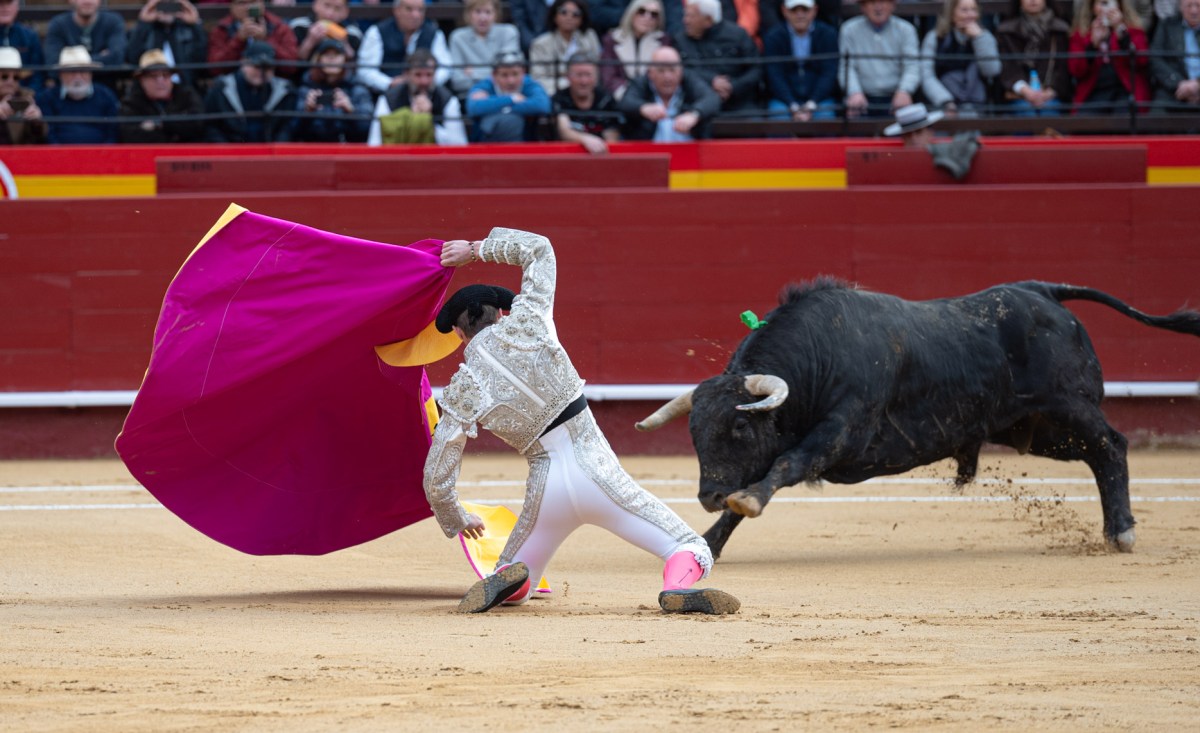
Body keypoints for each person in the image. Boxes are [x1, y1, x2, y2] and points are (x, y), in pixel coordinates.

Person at [424, 229, 740, 616]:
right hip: (598, 471)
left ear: (459, 333)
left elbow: (437, 469)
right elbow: (539, 249)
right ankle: (675, 586)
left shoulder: (462, 387)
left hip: (546, 489)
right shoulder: (531, 322)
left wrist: (454, 515)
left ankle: (514, 579)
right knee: (691, 547)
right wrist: (476, 250)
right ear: (501, 312)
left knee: (515, 571)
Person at [675, 0, 763, 112]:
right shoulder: (680, 40)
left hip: (740, 102)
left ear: (708, 20)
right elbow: (681, 70)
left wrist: (733, 87)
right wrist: (711, 80)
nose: (685, 21)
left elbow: (756, 69)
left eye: (691, 16)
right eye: (685, 15)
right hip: (697, 104)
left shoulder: (738, 35)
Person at [838, 0, 921, 118]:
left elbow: (912, 66)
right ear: (863, 6)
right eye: (872, 2)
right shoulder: (849, 29)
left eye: (883, 1)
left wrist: (904, 91)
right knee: (850, 114)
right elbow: (847, 67)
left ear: (893, 5)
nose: (878, 7)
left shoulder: (906, 29)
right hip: (862, 96)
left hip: (896, 95)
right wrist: (854, 92)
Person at [618, 45, 720, 139]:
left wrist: (694, 114)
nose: (667, 77)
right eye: (661, 71)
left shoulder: (689, 80)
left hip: (690, 151)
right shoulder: (641, 83)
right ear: (650, 73)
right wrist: (643, 108)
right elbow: (626, 102)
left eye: (672, 70)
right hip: (650, 152)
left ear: (681, 71)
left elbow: (712, 98)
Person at [203, 40, 296, 142]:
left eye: (267, 67)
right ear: (243, 62)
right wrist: (226, 152)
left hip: (271, 153)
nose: (262, 72)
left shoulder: (285, 91)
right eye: (256, 66)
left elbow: (286, 127)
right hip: (231, 153)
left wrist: (277, 151)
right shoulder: (221, 89)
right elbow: (211, 127)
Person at [369, 48, 467, 145]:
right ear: (406, 75)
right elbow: (375, 143)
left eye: (429, 75)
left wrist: (427, 123)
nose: (424, 81)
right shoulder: (388, 99)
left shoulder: (447, 100)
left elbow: (459, 144)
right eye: (418, 75)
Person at [919, 0, 1001, 116]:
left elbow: (992, 70)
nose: (971, 15)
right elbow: (926, 75)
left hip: (977, 103)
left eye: (974, 10)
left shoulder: (984, 37)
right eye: (964, 10)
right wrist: (946, 101)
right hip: (941, 103)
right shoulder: (935, 37)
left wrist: (979, 39)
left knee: (969, 115)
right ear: (951, 14)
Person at [1068, 0, 1150, 113]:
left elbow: (1142, 61)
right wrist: (1092, 44)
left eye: (1109, 3)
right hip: (1094, 91)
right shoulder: (1081, 34)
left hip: (1125, 90)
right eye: (1102, 3)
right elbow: (1075, 70)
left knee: (1124, 119)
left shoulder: (1133, 30)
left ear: (1119, 6)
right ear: (1093, 8)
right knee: (1085, 122)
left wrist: (1120, 30)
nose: (1105, 9)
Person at [762, 0, 838, 120]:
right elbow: (775, 75)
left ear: (814, 10)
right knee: (778, 120)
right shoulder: (773, 36)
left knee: (826, 119)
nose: (800, 14)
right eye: (794, 10)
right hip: (784, 100)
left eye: (805, 10)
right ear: (784, 11)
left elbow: (829, 73)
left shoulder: (828, 34)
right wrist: (793, 106)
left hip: (820, 99)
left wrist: (812, 103)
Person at [357, 0, 452, 96]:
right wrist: (389, 83)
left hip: (427, 94)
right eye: (409, 9)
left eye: (420, 10)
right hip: (384, 95)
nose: (416, 15)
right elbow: (365, 70)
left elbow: (446, 68)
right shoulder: (377, 32)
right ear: (397, 10)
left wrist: (426, 82)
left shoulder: (435, 33)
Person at [996, 0, 1072, 115]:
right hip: (1017, 94)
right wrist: (1026, 91)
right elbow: (1007, 68)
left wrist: (1049, 92)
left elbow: (1063, 69)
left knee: (1049, 112)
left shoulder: (1060, 30)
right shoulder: (1006, 31)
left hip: (1052, 93)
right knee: (1025, 112)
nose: (1033, 0)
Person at [35, 46, 118, 144]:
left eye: (83, 71)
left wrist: (103, 155)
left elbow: (113, 134)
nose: (78, 76)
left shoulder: (106, 95)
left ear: (90, 73)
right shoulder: (47, 98)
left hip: (101, 156)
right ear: (61, 74)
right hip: (59, 156)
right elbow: (48, 135)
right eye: (72, 71)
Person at [294, 38, 372, 142]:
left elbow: (368, 131)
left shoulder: (357, 89)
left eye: (337, 55)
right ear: (318, 60)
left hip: (348, 148)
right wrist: (308, 112)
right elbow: (293, 131)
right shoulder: (306, 89)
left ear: (345, 60)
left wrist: (351, 112)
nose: (331, 59)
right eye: (326, 55)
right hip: (314, 148)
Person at [119, 48, 205, 143]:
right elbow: (130, 136)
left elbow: (198, 125)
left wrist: (159, 124)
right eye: (153, 76)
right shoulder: (131, 102)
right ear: (141, 80)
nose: (161, 81)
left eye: (165, 75)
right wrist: (176, 128)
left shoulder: (186, 94)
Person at [465, 50, 551, 141]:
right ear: (494, 76)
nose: (511, 81)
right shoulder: (484, 85)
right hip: (485, 145)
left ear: (523, 72)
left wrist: (494, 106)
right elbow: (473, 108)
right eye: (504, 75)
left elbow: (542, 105)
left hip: (525, 144)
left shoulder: (530, 84)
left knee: (512, 121)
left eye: (515, 74)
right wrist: (512, 99)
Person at [126, 0, 208, 92]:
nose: (166, 9)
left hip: (184, 90)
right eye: (162, 4)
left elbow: (201, 60)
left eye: (170, 4)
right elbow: (133, 59)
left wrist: (195, 24)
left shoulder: (188, 29)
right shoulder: (145, 30)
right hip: (149, 93)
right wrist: (143, 23)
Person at [599, 0, 673, 100]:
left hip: (652, 100)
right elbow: (609, 77)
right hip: (618, 99)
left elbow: (663, 76)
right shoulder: (612, 40)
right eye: (641, 12)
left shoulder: (664, 42)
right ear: (632, 13)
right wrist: (629, 97)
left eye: (654, 14)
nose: (647, 17)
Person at [207, 0, 300, 79]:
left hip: (273, 82)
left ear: (262, 3)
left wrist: (265, 40)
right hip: (232, 83)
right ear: (232, 6)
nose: (248, 7)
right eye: (242, 3)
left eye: (253, 2)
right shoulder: (221, 29)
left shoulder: (281, 27)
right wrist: (238, 40)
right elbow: (215, 68)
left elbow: (291, 67)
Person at [448, 0, 521, 98]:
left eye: (488, 12)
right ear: (469, 14)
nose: (483, 18)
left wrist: (473, 73)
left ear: (496, 14)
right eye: (478, 12)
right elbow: (458, 81)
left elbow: (510, 72)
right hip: (470, 96)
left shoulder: (509, 32)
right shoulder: (457, 37)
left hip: (505, 95)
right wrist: (497, 74)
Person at [529, 0, 603, 95]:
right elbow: (538, 78)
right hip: (553, 93)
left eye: (576, 14)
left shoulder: (590, 37)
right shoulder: (540, 44)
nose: (569, 17)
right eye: (563, 12)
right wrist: (571, 84)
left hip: (587, 92)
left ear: (582, 18)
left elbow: (597, 71)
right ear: (554, 16)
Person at [43, 0, 128, 83]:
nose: (87, 1)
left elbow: (117, 59)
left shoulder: (113, 21)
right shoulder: (58, 24)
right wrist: (100, 60)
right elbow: (53, 65)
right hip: (66, 88)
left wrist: (69, 61)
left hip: (105, 86)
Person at [554, 53, 620, 153]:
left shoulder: (606, 99)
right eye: (579, 75)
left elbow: (611, 137)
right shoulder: (560, 98)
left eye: (588, 75)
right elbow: (564, 131)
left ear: (597, 77)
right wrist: (585, 139)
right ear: (567, 77)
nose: (584, 81)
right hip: (568, 156)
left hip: (600, 156)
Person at [1149, 0, 1200, 111]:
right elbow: (1155, 59)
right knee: (1155, 117)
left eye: (1198, 5)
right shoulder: (1167, 25)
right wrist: (1179, 83)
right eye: (1189, 5)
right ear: (1181, 7)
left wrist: (1197, 84)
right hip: (1173, 90)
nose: (1194, 10)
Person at [291, 0, 363, 64]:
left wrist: (345, 44)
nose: (330, 13)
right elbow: (294, 64)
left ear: (346, 12)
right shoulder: (299, 26)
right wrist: (310, 41)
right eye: (326, 5)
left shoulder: (353, 33)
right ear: (315, 4)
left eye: (337, 8)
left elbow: (356, 68)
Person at [0, 46, 46, 144]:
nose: (10, 81)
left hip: (18, 156)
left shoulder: (27, 97)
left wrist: (37, 122)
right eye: (4, 76)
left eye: (16, 77)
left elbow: (40, 140)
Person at [0, 0, 47, 91]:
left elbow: (38, 74)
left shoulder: (29, 36)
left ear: (17, 5)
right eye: (0, 3)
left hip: (22, 97)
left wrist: (26, 99)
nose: (5, 8)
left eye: (9, 3)